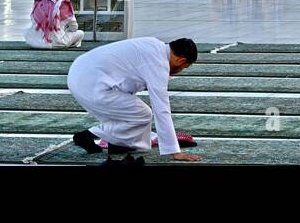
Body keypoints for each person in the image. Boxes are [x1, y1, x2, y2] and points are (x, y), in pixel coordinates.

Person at [67, 37, 202, 162]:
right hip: (90, 83)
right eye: (185, 67)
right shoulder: (158, 64)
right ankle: (89, 135)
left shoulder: (154, 45)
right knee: (142, 114)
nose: (181, 70)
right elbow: (162, 109)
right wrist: (174, 150)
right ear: (181, 60)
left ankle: (118, 144)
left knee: (130, 112)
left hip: (80, 72)